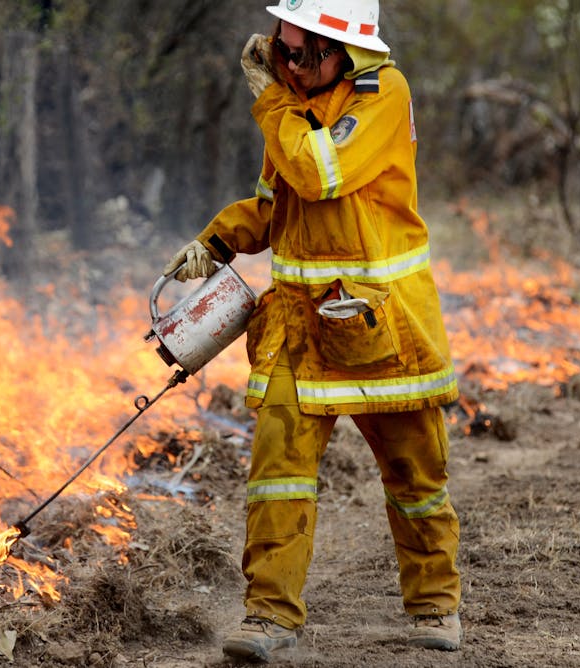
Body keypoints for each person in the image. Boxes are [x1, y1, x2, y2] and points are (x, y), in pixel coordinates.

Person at [161, 0, 463, 662]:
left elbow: (318, 173)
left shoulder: (382, 94)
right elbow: (278, 203)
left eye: (300, 55)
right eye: (281, 49)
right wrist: (216, 240)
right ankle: (269, 617)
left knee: (415, 476)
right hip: (299, 327)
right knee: (277, 475)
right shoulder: (294, 109)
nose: (288, 66)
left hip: (379, 324)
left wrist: (272, 101)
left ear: (342, 50)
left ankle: (435, 605)